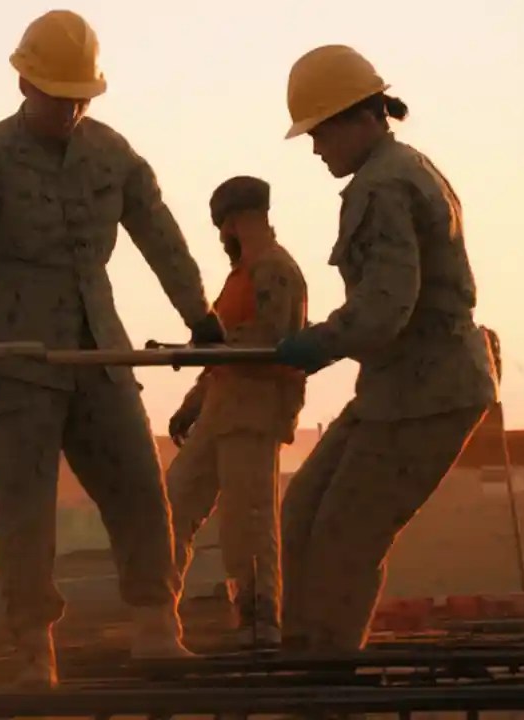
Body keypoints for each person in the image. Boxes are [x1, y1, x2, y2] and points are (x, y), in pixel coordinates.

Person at [0, 9, 225, 687]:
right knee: (25, 513)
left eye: (79, 97)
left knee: (141, 492)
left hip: (100, 351)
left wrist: (199, 315)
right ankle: (34, 647)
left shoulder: (112, 155)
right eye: (57, 95)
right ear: (25, 84)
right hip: (18, 356)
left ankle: (156, 624)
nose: (69, 109)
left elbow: (161, 234)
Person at [272, 44, 499, 653]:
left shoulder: (384, 187)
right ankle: (304, 650)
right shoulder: (400, 169)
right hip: (396, 390)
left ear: (357, 119)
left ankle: (325, 674)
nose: (317, 149)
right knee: (302, 513)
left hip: (428, 392)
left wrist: (313, 345)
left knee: (346, 534)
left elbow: (383, 311)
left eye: (320, 133)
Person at [165, 176, 308, 649]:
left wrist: (199, 350)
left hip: (255, 412)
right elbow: (225, 348)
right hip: (221, 411)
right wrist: (193, 402)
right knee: (173, 507)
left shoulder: (274, 271)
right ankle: (159, 613)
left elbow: (266, 342)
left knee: (246, 523)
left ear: (232, 222)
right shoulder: (241, 276)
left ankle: (257, 621)